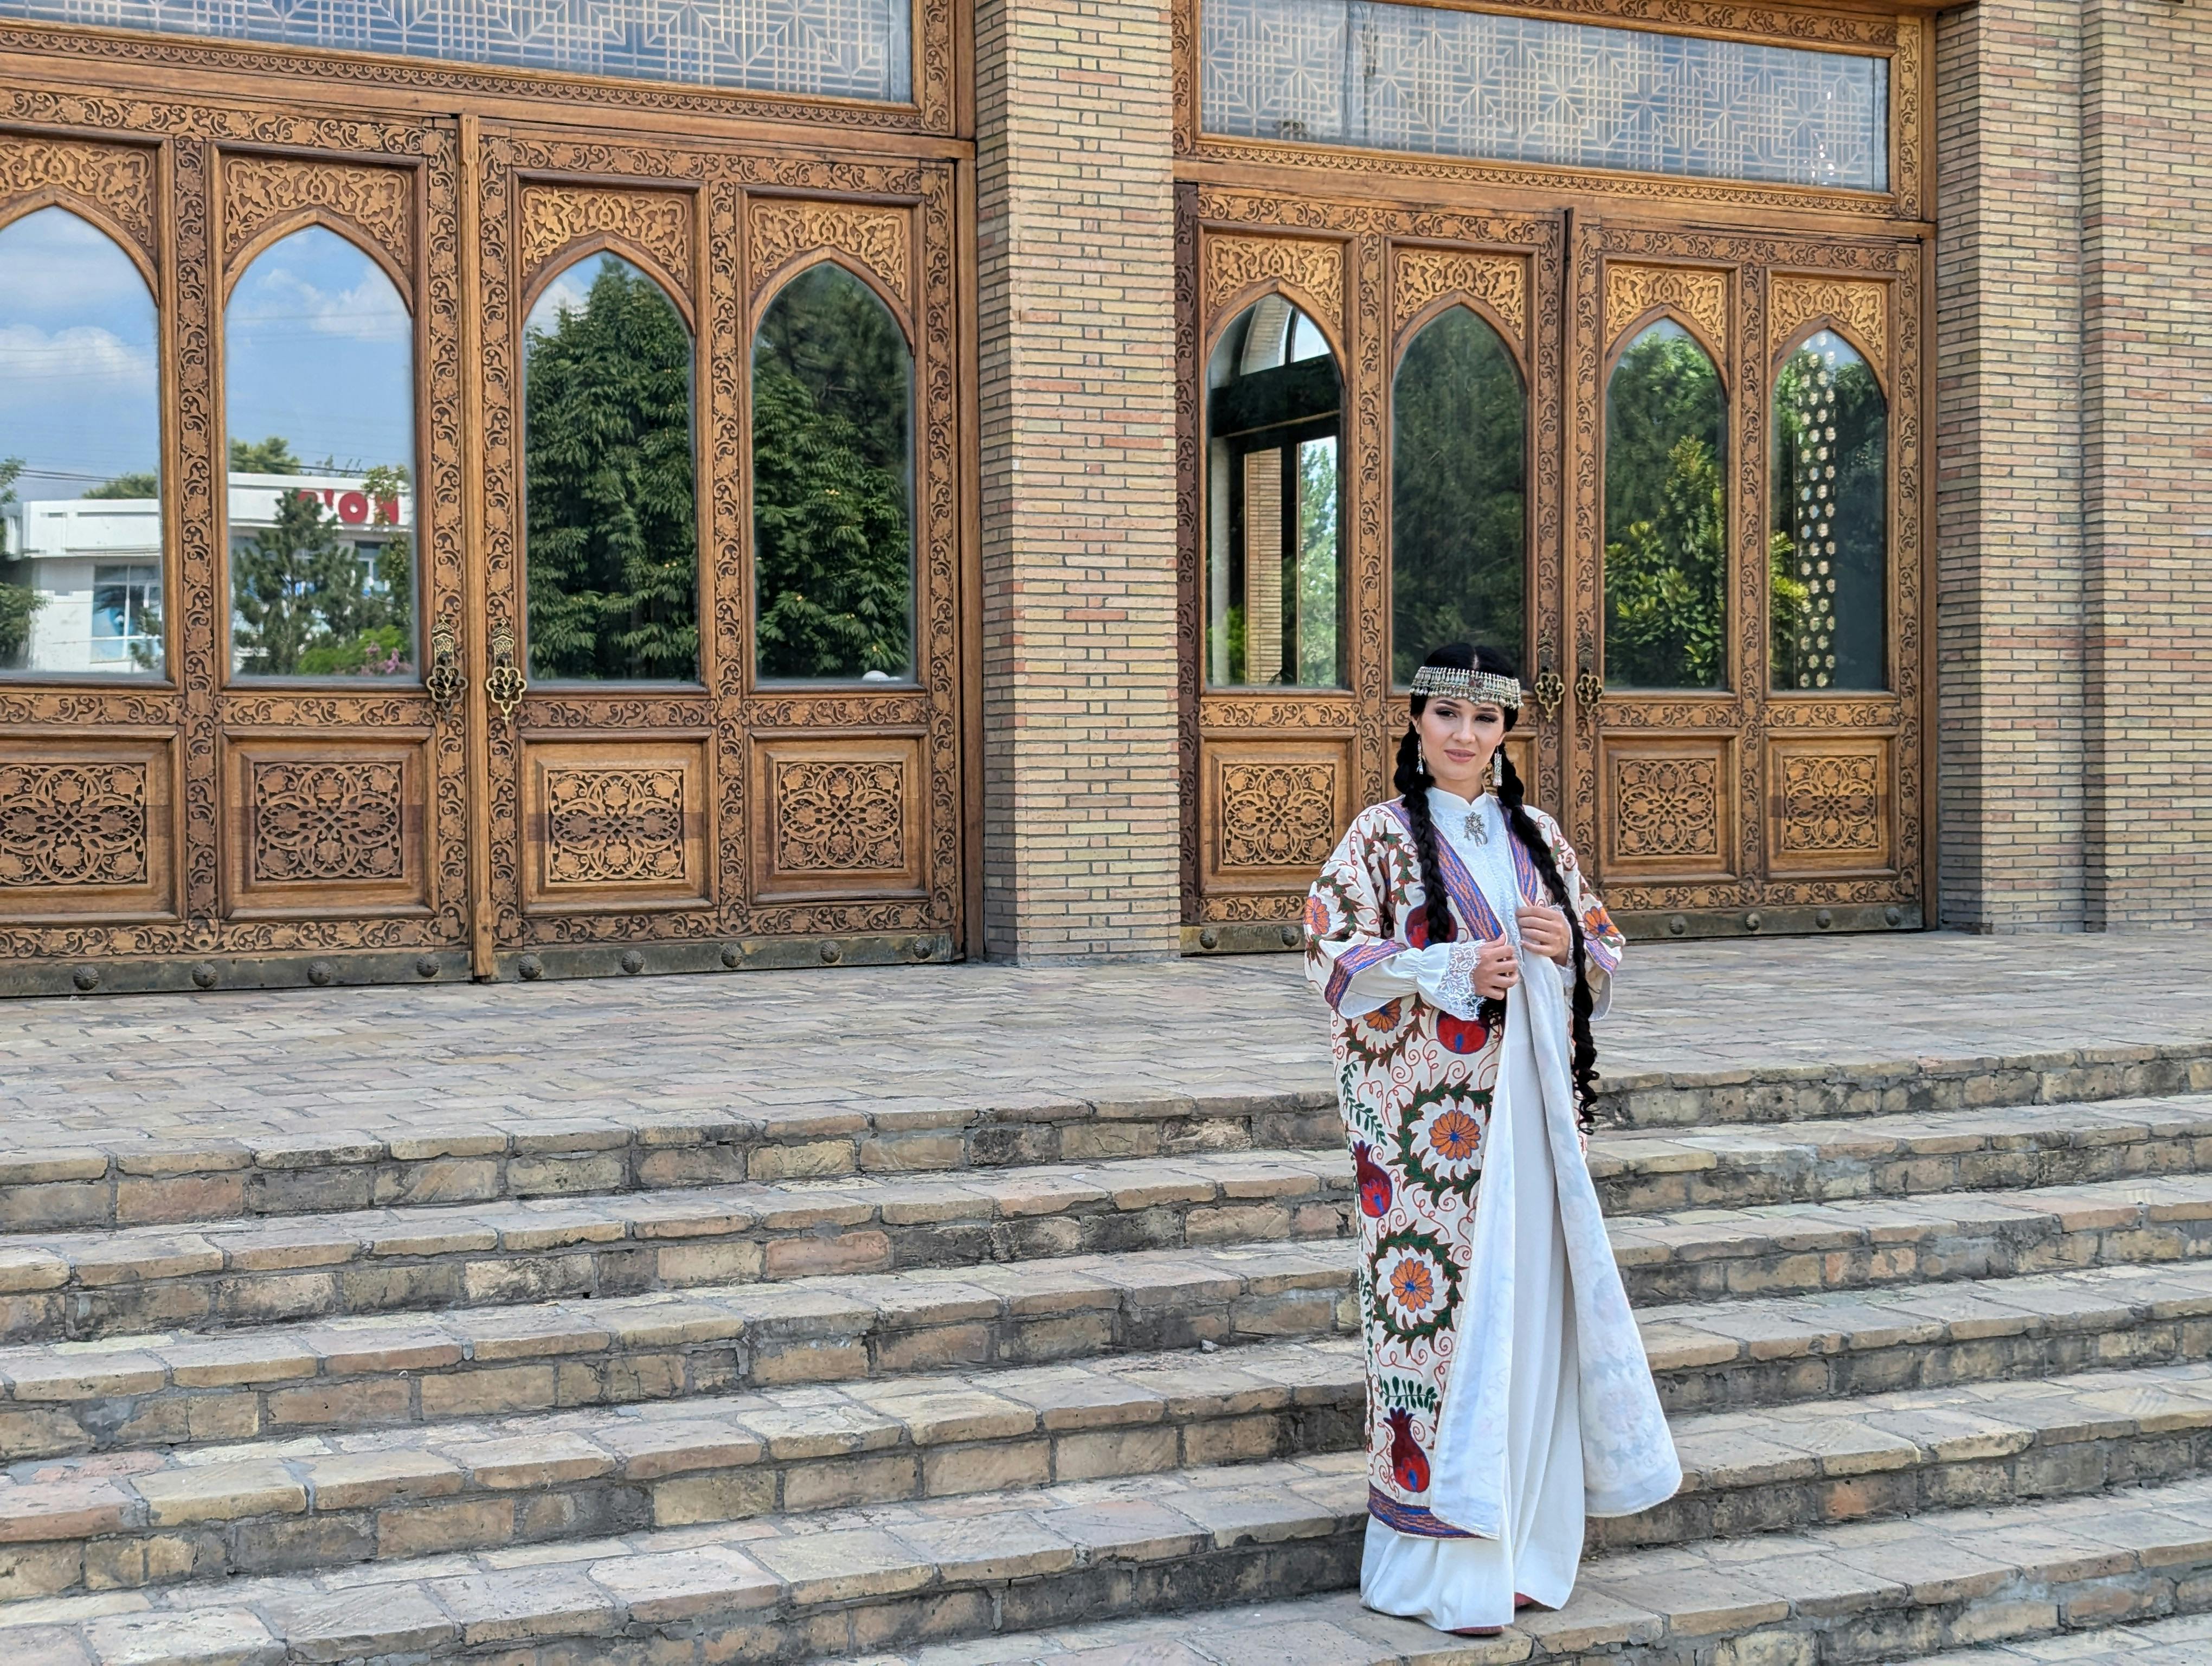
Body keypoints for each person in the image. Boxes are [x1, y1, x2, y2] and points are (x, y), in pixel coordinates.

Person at [1303, 641, 1680, 1635]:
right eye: (1447, 718)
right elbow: (1330, 956)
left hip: (1531, 1130)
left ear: (1507, 731)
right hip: (1431, 1149)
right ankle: (1437, 1568)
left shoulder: (1538, 834)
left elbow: (1602, 943)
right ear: (1416, 724)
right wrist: (1446, 966)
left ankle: (1518, 1545)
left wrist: (1569, 945)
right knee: (1440, 1335)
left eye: (1486, 721)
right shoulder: (1378, 838)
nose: (1466, 738)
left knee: (1527, 1326)